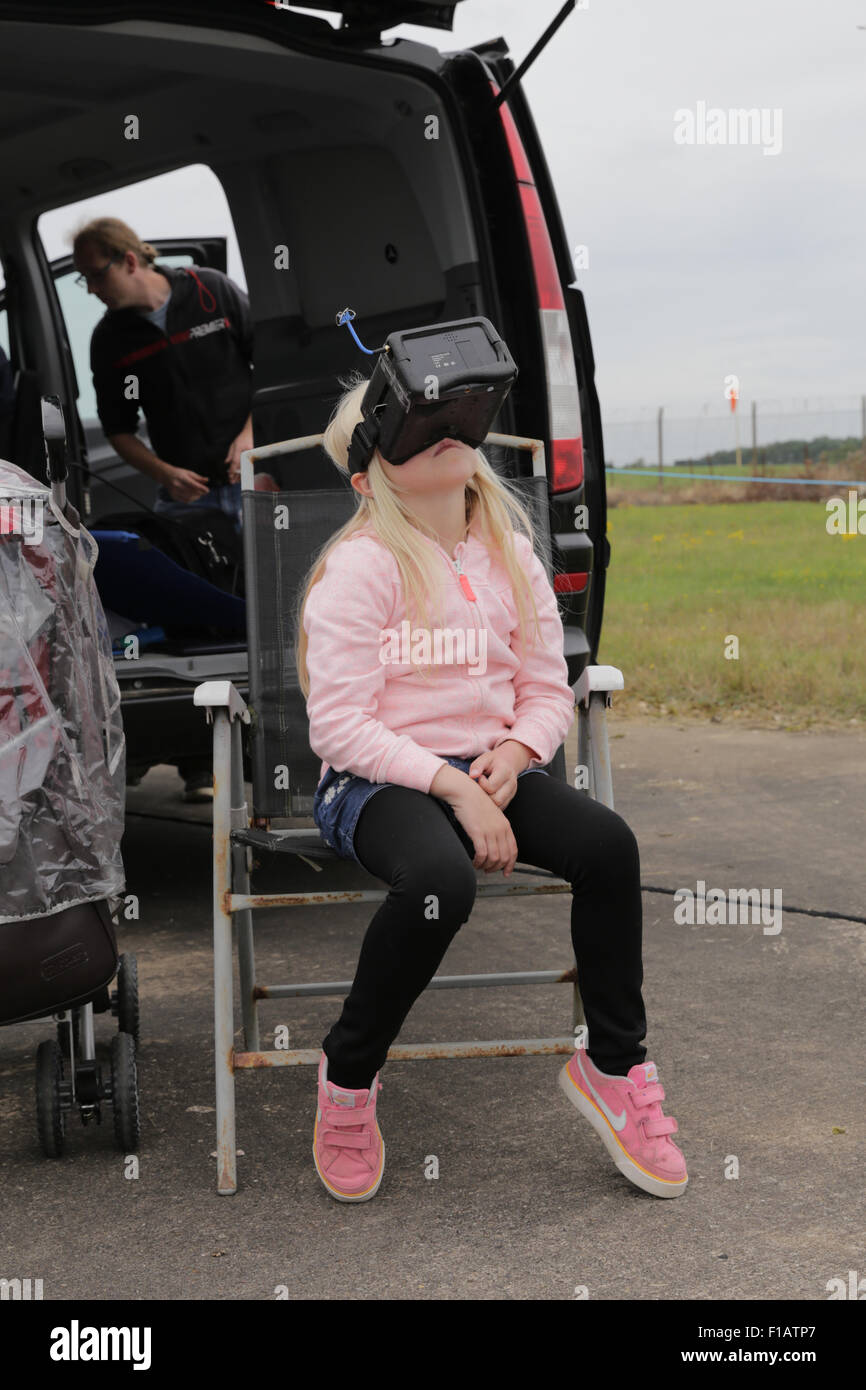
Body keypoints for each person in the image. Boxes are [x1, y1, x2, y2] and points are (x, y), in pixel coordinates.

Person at [297, 372, 688, 1205]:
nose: (440, 432)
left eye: (449, 419)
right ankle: (349, 1074)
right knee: (439, 881)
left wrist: (516, 753)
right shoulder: (361, 568)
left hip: (490, 766)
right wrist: (450, 786)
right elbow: (338, 727)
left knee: (608, 846)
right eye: (411, 427)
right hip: (373, 779)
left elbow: (546, 687)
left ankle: (613, 1066)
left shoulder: (510, 554)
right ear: (370, 476)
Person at [73, 217, 254, 802]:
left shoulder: (211, 292)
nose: (91, 289)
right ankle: (195, 761)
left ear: (129, 260)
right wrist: (164, 474)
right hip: (182, 496)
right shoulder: (111, 339)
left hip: (253, 479)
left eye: (94, 275)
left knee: (259, 606)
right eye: (81, 280)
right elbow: (120, 431)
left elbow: (267, 368)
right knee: (190, 620)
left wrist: (250, 437)